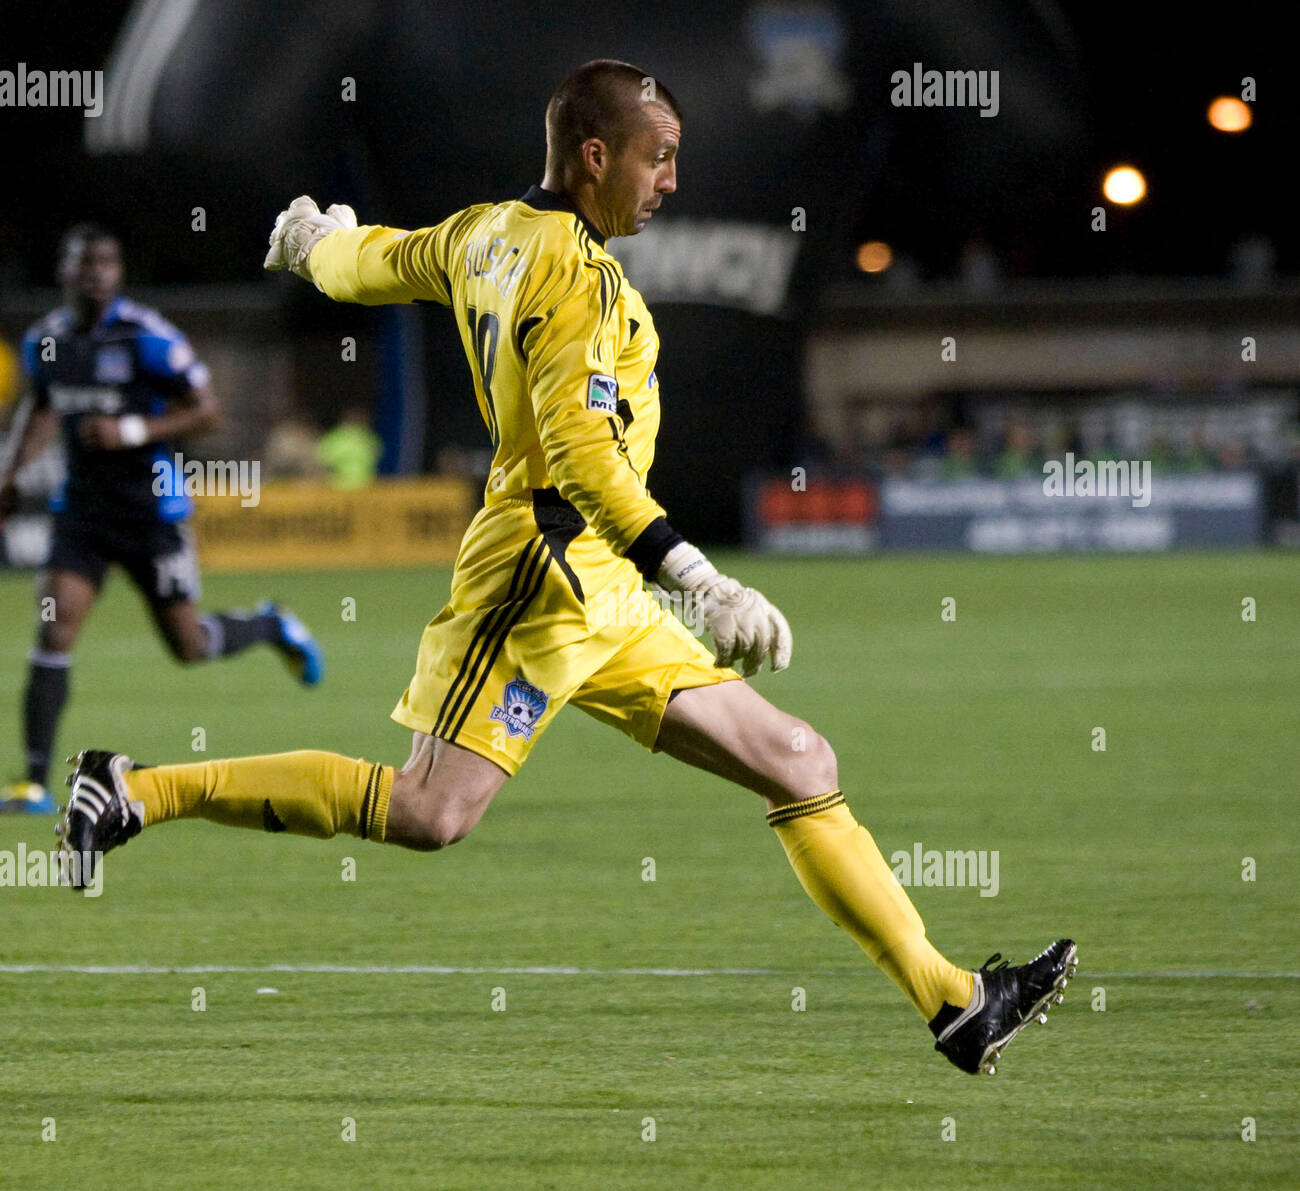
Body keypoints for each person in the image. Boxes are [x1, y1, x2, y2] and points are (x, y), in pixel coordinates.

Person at [61, 62, 1075, 1075]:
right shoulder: (575, 280)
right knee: (430, 813)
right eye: (659, 156)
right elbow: (583, 454)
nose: (671, 180)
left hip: (603, 587)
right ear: (596, 155)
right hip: (538, 578)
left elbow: (376, 260)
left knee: (798, 760)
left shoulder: (483, 232)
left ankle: (953, 1002)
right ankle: (139, 786)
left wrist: (314, 244)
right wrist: (702, 578)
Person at [0, 224, 325, 815]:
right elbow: (40, 408)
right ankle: (34, 784)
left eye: (106, 262)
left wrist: (132, 430)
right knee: (53, 630)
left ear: (118, 273)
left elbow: (207, 410)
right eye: (83, 262)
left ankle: (272, 625)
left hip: (152, 512)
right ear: (65, 272)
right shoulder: (45, 342)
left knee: (190, 645)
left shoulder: (148, 338)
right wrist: (9, 472)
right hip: (82, 514)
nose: (95, 272)